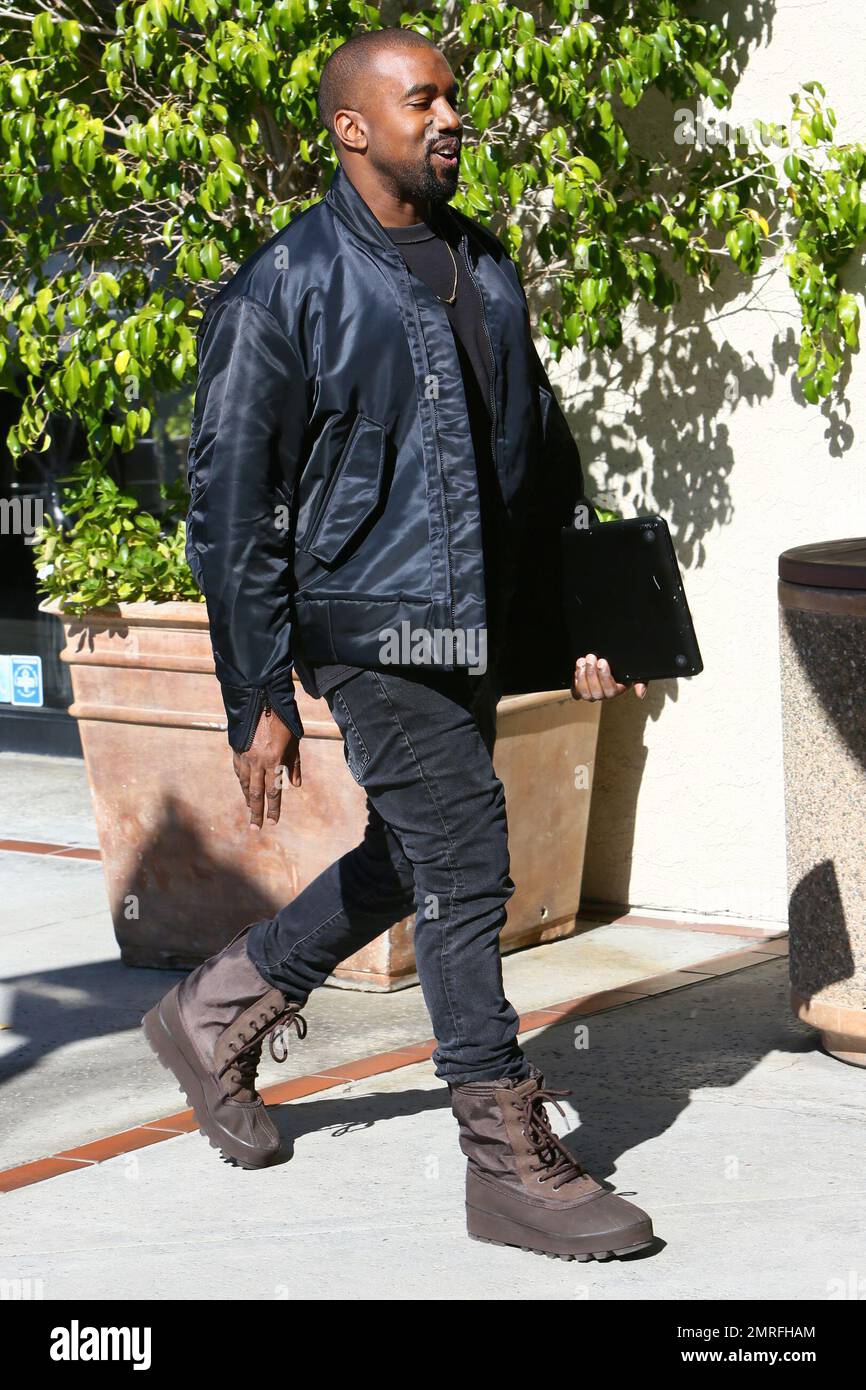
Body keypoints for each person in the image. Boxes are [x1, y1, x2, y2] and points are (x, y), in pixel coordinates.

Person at [143, 27, 654, 1263]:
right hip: (364, 624)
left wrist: (588, 618)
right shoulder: (289, 281)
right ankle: (501, 1151)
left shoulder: (480, 266)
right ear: (351, 126)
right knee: (469, 859)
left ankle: (213, 1011)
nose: (448, 116)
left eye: (451, 98)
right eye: (418, 98)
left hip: (468, 621)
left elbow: (541, 455)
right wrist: (256, 684)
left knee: (409, 853)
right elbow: (232, 499)